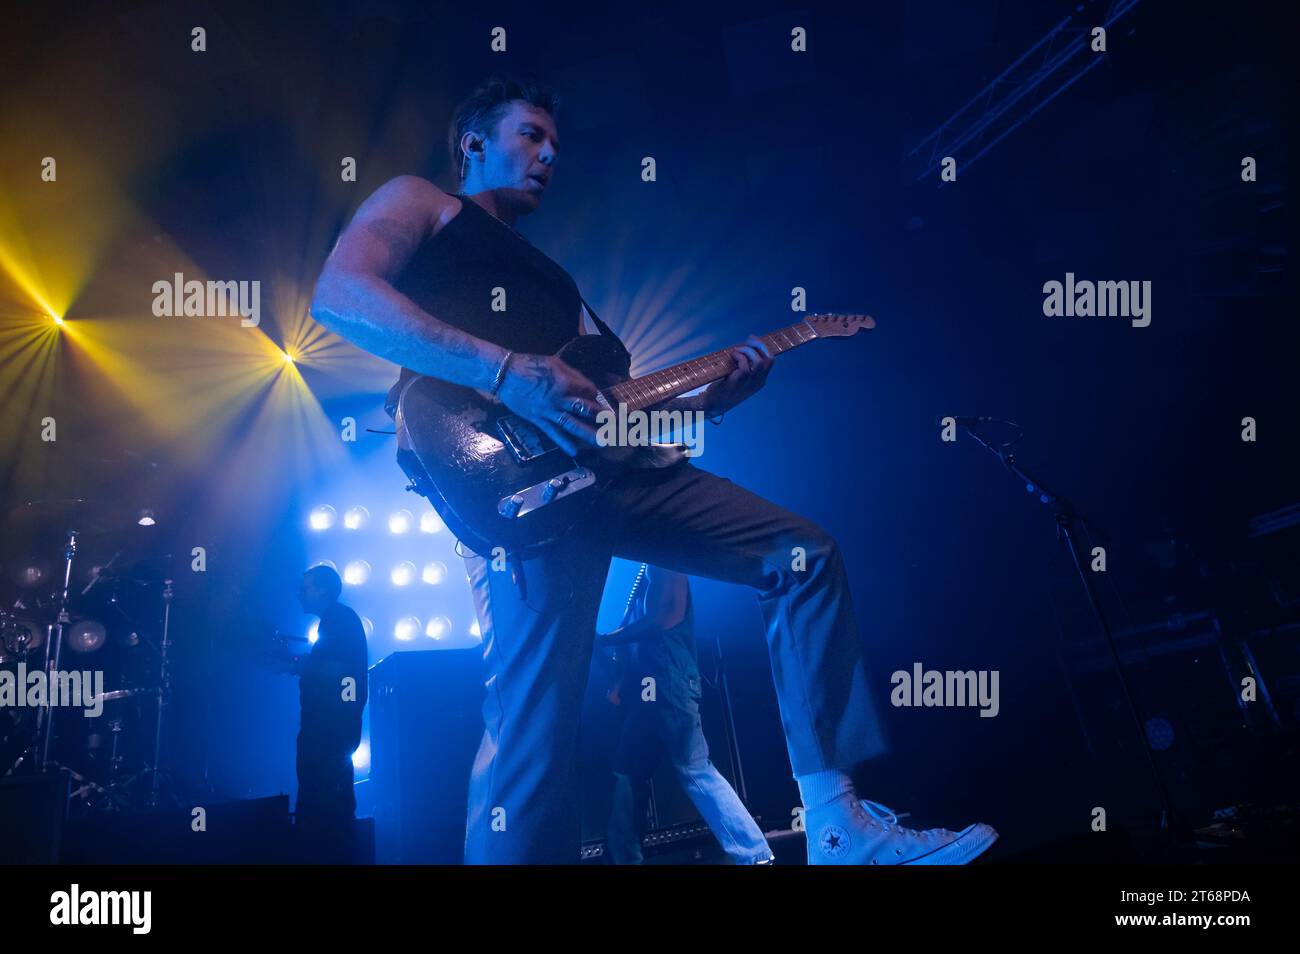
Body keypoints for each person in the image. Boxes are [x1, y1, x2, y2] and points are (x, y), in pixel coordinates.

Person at [310, 74, 997, 865]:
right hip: (507, 485)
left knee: (802, 555)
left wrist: (713, 406)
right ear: (473, 144)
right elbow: (340, 295)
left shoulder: (556, 282)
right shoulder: (421, 201)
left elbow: (614, 422)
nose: (548, 157)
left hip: (614, 474)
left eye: (555, 145)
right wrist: (506, 371)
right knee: (534, 731)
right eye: (531, 135)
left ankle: (838, 823)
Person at [600, 564, 773, 865]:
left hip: (668, 683)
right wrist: (617, 679)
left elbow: (665, 618)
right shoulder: (641, 572)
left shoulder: (662, 560)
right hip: (647, 691)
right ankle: (622, 859)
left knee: (692, 767)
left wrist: (607, 638)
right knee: (628, 772)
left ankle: (754, 853)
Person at [293, 564, 368, 862]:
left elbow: (336, 670)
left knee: (323, 804)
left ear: (323, 589)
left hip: (328, 732)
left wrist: (300, 666)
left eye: (307, 585)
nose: (300, 592)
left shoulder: (338, 620)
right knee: (331, 802)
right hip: (332, 731)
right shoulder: (339, 620)